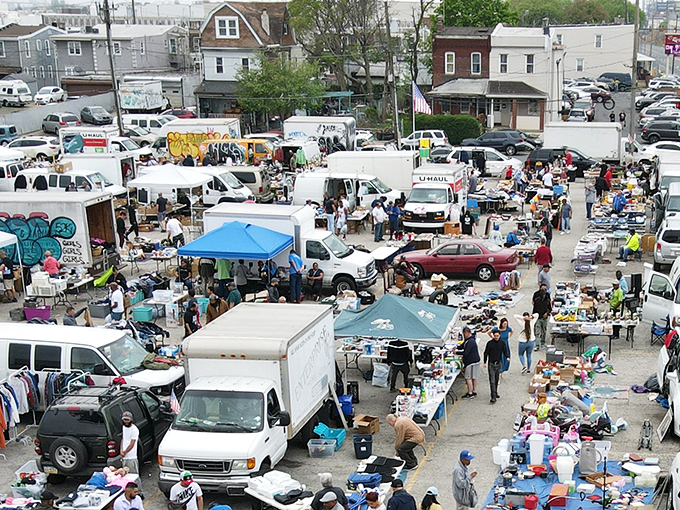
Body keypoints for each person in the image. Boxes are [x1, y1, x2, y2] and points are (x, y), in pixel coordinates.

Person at [483, 329, 509, 404]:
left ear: (499, 335)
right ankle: (493, 397)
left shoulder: (502, 343)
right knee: (492, 380)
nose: (496, 337)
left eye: (497, 336)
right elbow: (486, 353)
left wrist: (507, 356)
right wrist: (485, 362)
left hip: (498, 363)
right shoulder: (490, 343)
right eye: (495, 336)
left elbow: (505, 350)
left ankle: (495, 391)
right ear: (493, 336)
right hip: (491, 363)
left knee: (496, 379)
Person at [457, 327, 480, 399]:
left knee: (468, 378)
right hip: (475, 361)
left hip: (471, 362)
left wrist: (456, 352)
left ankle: (470, 392)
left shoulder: (470, 342)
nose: (464, 336)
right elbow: (462, 346)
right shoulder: (469, 340)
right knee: (474, 377)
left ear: (467, 333)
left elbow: (466, 352)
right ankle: (474, 390)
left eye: (464, 334)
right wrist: (457, 347)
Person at [532, 284, 551, 351]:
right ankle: (537, 345)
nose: (544, 296)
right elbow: (534, 310)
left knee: (544, 331)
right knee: (537, 332)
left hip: (545, 319)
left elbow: (550, 309)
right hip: (538, 318)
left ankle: (543, 343)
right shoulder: (537, 301)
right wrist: (533, 317)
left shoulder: (547, 301)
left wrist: (547, 313)